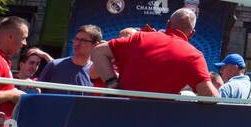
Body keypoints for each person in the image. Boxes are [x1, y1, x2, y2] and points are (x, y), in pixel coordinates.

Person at [88, 7, 218, 97]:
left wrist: (112, 84)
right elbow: (210, 96)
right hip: (157, 121)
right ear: (192, 33)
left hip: (120, 111)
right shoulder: (194, 56)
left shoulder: (139, 37)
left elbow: (98, 52)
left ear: (168, 24)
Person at [38, 25, 100, 90]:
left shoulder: (96, 73)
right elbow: (37, 91)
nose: (77, 43)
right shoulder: (54, 65)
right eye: (76, 39)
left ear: (95, 45)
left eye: (83, 40)